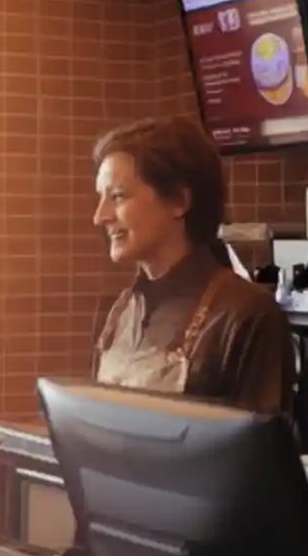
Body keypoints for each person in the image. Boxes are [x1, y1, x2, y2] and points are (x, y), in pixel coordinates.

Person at [89, 116, 295, 418]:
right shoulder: (120, 312)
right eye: (101, 198)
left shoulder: (247, 316)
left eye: (118, 196)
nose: (100, 216)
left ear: (179, 201)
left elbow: (257, 458)